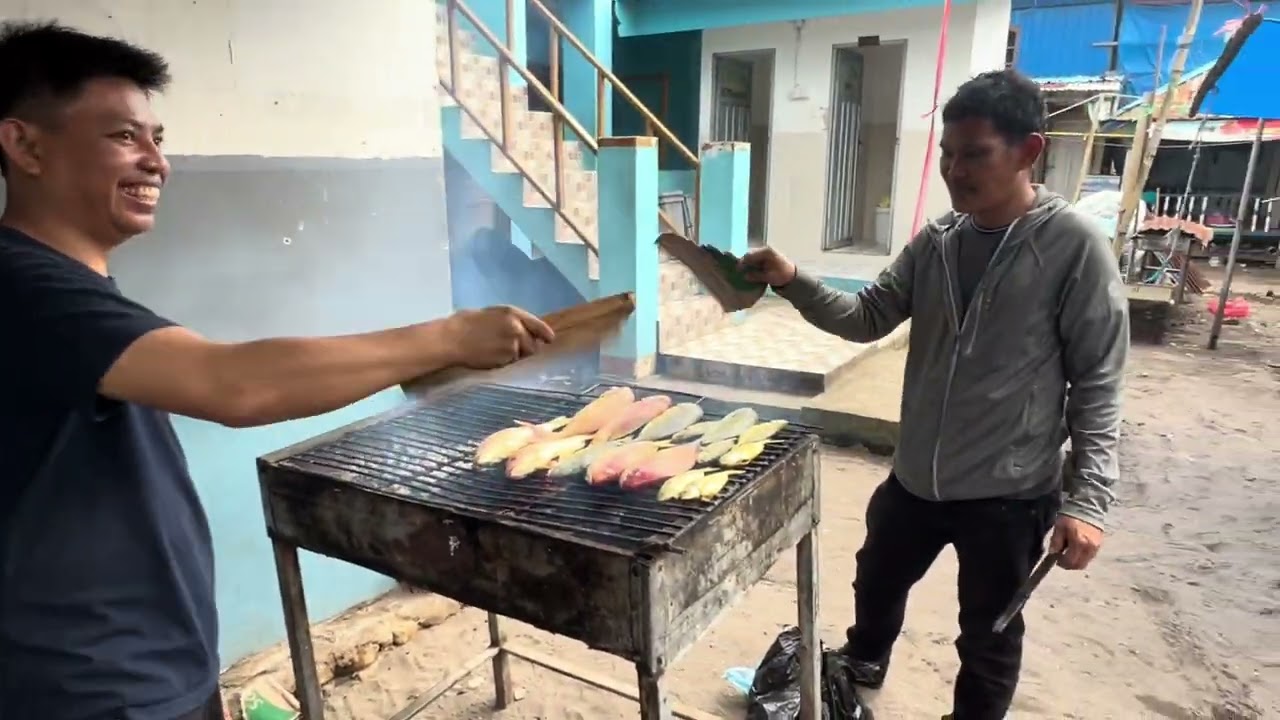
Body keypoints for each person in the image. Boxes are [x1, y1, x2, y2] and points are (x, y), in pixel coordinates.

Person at [0, 21, 554, 720]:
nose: (157, 163)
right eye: (123, 137)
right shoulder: (22, 285)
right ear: (25, 145)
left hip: (143, 665)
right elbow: (234, 383)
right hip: (91, 687)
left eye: (158, 139)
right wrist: (447, 338)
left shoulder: (68, 287)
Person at [742, 69, 1129, 719]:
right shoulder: (939, 241)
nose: (955, 171)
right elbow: (867, 316)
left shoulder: (1074, 247)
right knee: (876, 577)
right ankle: (865, 659)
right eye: (947, 154)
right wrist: (790, 278)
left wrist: (1089, 501)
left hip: (1008, 493)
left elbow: (1099, 381)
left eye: (975, 154)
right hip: (916, 476)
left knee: (989, 633)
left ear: (1029, 151)